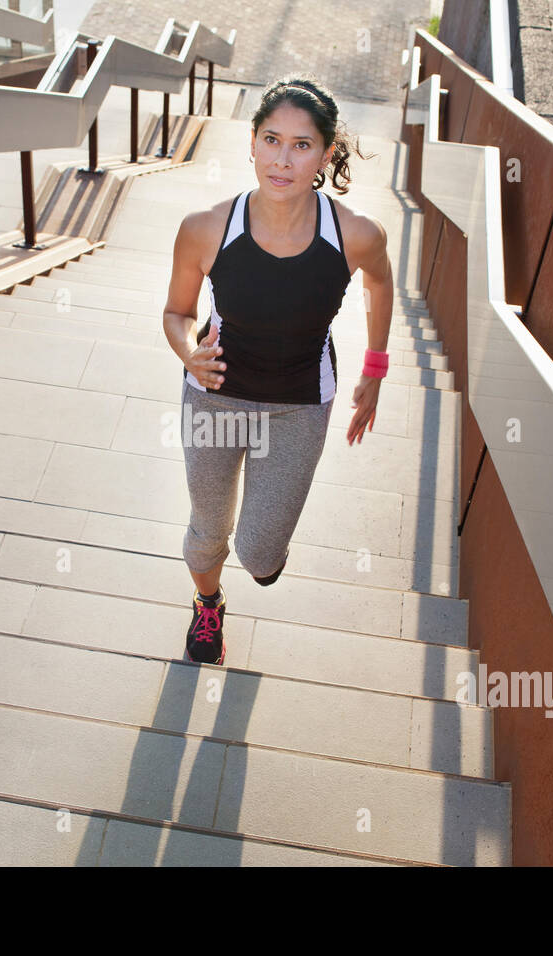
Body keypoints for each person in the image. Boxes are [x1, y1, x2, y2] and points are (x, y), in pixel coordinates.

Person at [161, 74, 395, 665]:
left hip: (298, 403)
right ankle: (207, 605)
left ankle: (260, 556)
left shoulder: (356, 235)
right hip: (215, 395)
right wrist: (189, 351)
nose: (282, 160)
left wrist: (374, 367)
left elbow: (382, 282)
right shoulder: (206, 227)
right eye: (271, 139)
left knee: (260, 556)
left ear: (325, 154)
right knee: (207, 531)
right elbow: (176, 313)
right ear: (251, 142)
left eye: (301, 144)